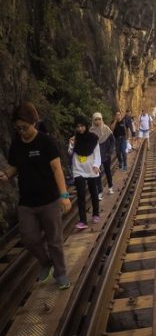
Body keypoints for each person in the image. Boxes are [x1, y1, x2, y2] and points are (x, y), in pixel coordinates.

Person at [0, 102, 72, 290]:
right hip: (27, 202)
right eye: (17, 128)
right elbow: (15, 166)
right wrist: (7, 174)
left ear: (33, 122)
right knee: (28, 237)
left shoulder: (46, 142)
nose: (21, 131)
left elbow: (57, 169)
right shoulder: (16, 143)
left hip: (49, 200)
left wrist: (64, 195)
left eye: (24, 127)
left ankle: (61, 273)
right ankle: (45, 261)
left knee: (54, 240)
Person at [69, 115, 101, 231]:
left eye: (82, 126)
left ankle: (96, 214)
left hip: (91, 168)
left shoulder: (93, 138)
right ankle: (83, 220)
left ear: (86, 126)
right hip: (78, 169)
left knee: (93, 192)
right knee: (81, 195)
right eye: (77, 127)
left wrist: (97, 165)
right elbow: (70, 152)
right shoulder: (75, 139)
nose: (80, 129)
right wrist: (72, 144)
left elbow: (97, 154)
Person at [90, 112, 115, 198]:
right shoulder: (91, 131)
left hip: (106, 154)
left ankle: (110, 187)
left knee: (108, 171)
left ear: (102, 119)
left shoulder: (106, 129)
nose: (97, 121)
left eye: (99, 119)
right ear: (93, 120)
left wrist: (110, 151)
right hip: (96, 157)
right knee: (97, 175)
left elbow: (112, 140)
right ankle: (100, 191)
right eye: (96, 119)